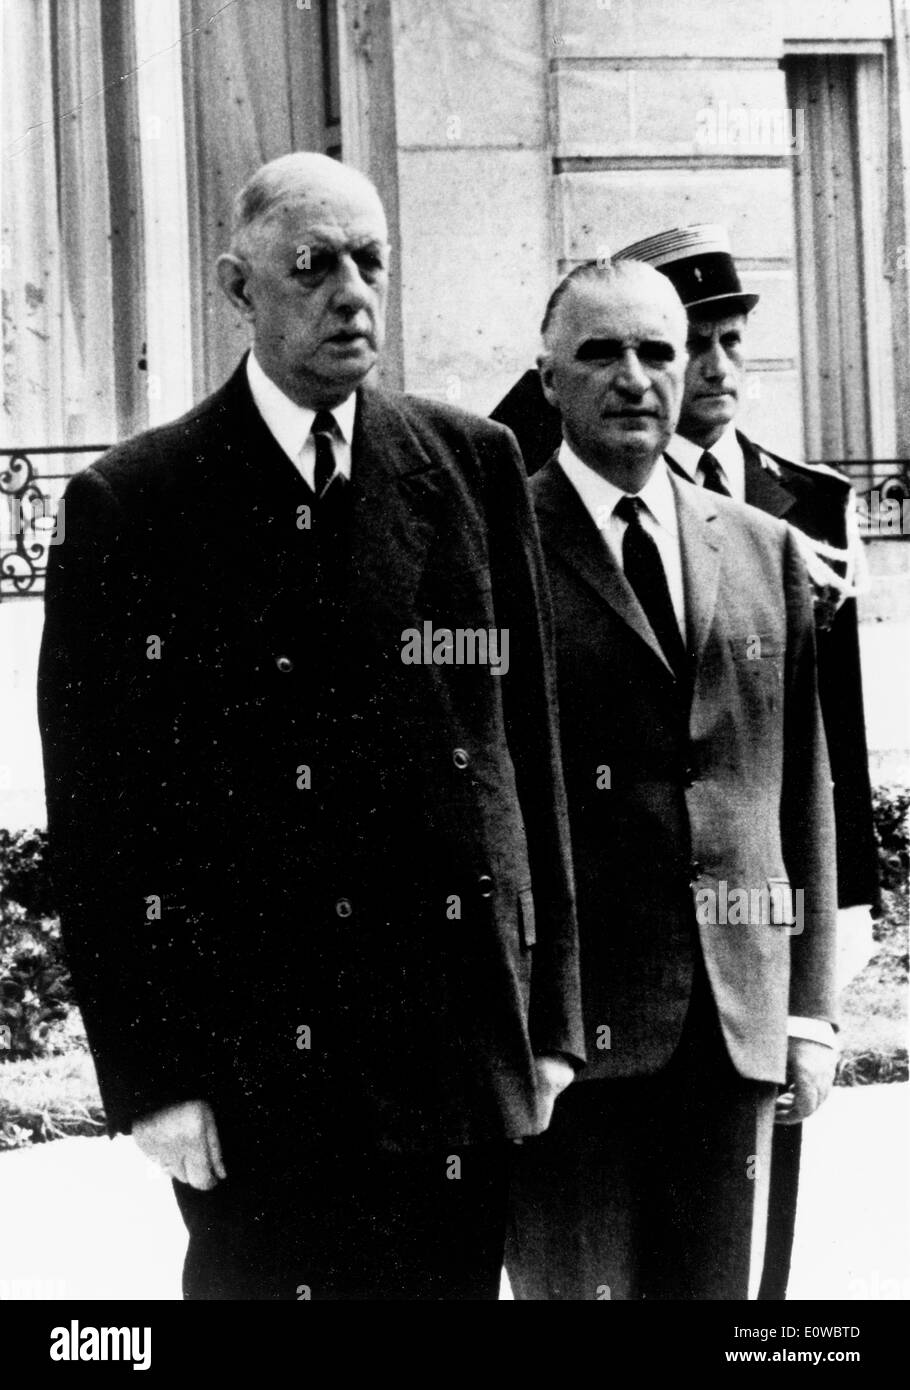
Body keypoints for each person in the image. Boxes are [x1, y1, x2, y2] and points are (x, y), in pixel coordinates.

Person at [38, 152, 584, 1302]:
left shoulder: (471, 466)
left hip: (449, 1049)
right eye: (313, 265)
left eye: (370, 261)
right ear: (238, 287)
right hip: (254, 1075)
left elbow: (526, 758)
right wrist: (155, 1079)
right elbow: (100, 826)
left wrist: (549, 1026)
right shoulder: (135, 505)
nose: (353, 293)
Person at [493, 226, 879, 1298]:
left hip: (734, 1033)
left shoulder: (759, 547)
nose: (636, 380)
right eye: (601, 355)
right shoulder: (496, 546)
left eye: (659, 354)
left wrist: (805, 1011)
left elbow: (800, 785)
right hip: (568, 1044)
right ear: (547, 379)